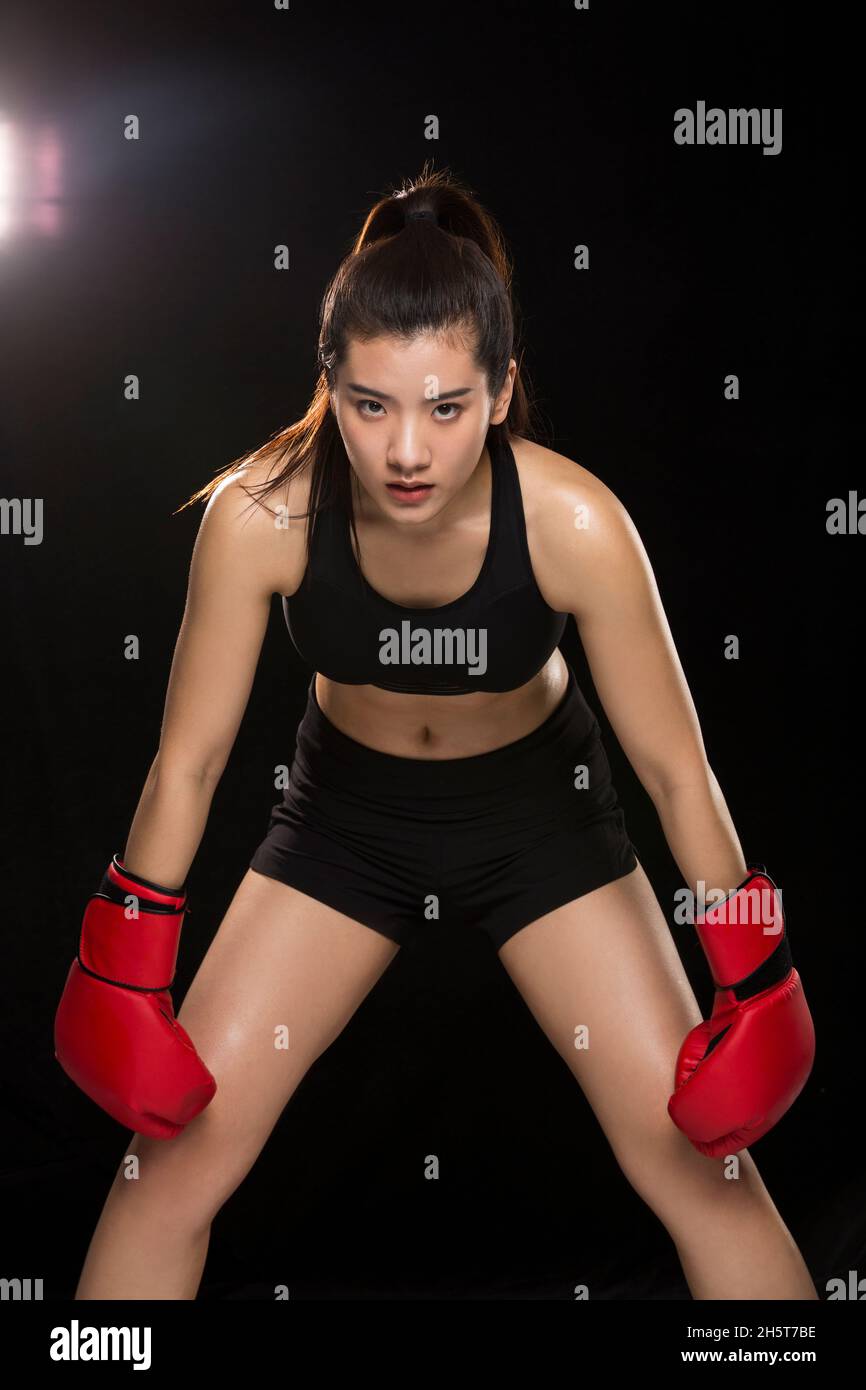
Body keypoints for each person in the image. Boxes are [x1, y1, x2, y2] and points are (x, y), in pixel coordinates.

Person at [67, 165, 817, 1300]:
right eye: (370, 405)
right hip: (341, 825)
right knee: (162, 1169)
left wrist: (755, 974)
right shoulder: (261, 512)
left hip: (541, 824)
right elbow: (192, 762)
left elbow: (676, 773)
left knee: (705, 1168)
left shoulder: (574, 522)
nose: (405, 450)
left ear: (502, 390)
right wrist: (121, 970)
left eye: (444, 406)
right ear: (329, 383)